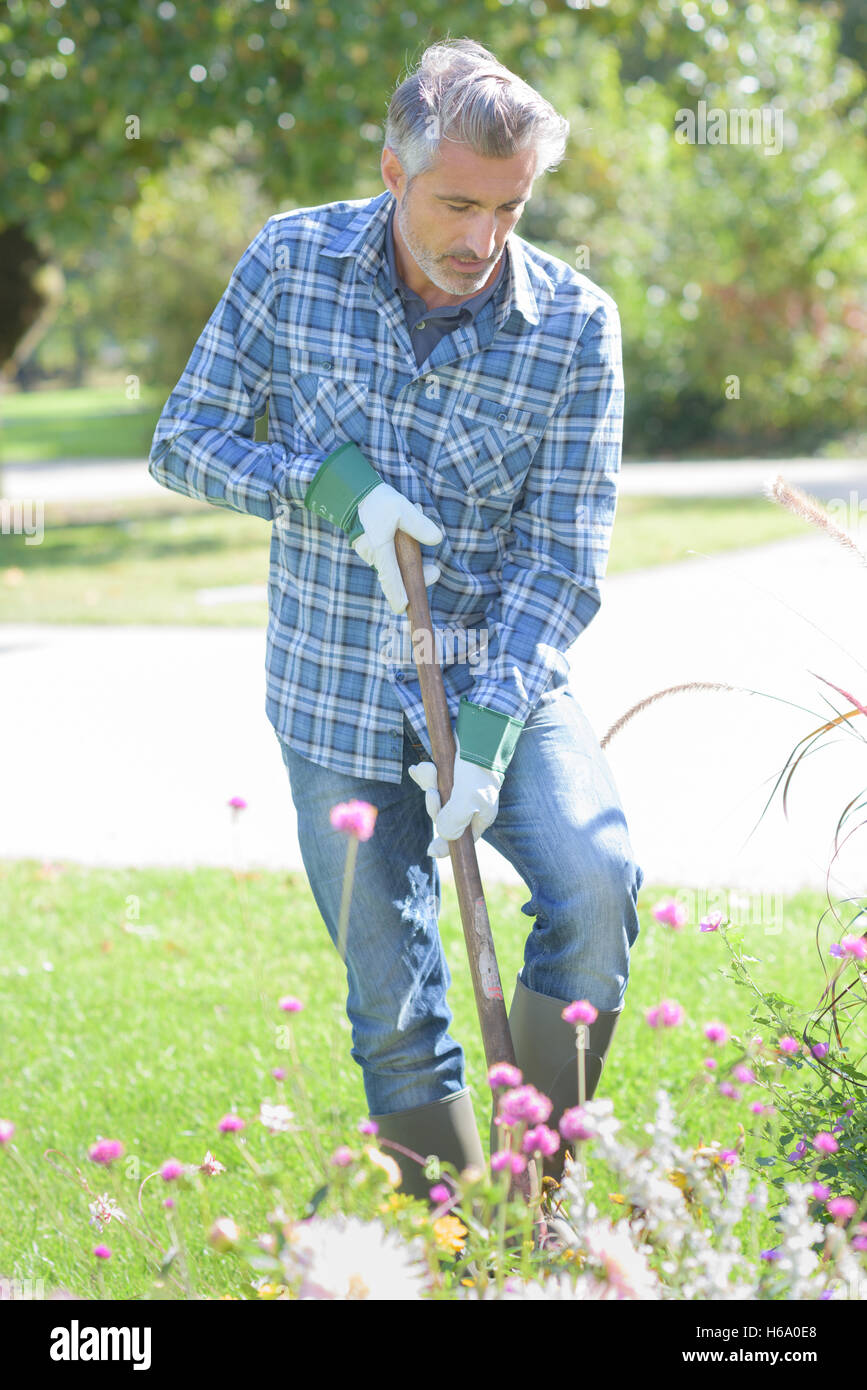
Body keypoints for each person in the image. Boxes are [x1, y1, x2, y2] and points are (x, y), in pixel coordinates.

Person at [148, 37, 644, 1200]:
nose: (483, 239)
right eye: (458, 203)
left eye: (511, 208)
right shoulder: (291, 262)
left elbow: (564, 558)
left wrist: (489, 724)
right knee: (394, 995)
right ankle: (451, 1235)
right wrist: (325, 487)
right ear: (392, 170)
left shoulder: (576, 327)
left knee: (595, 877)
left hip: (498, 672)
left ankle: (542, 1197)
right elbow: (182, 438)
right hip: (331, 686)